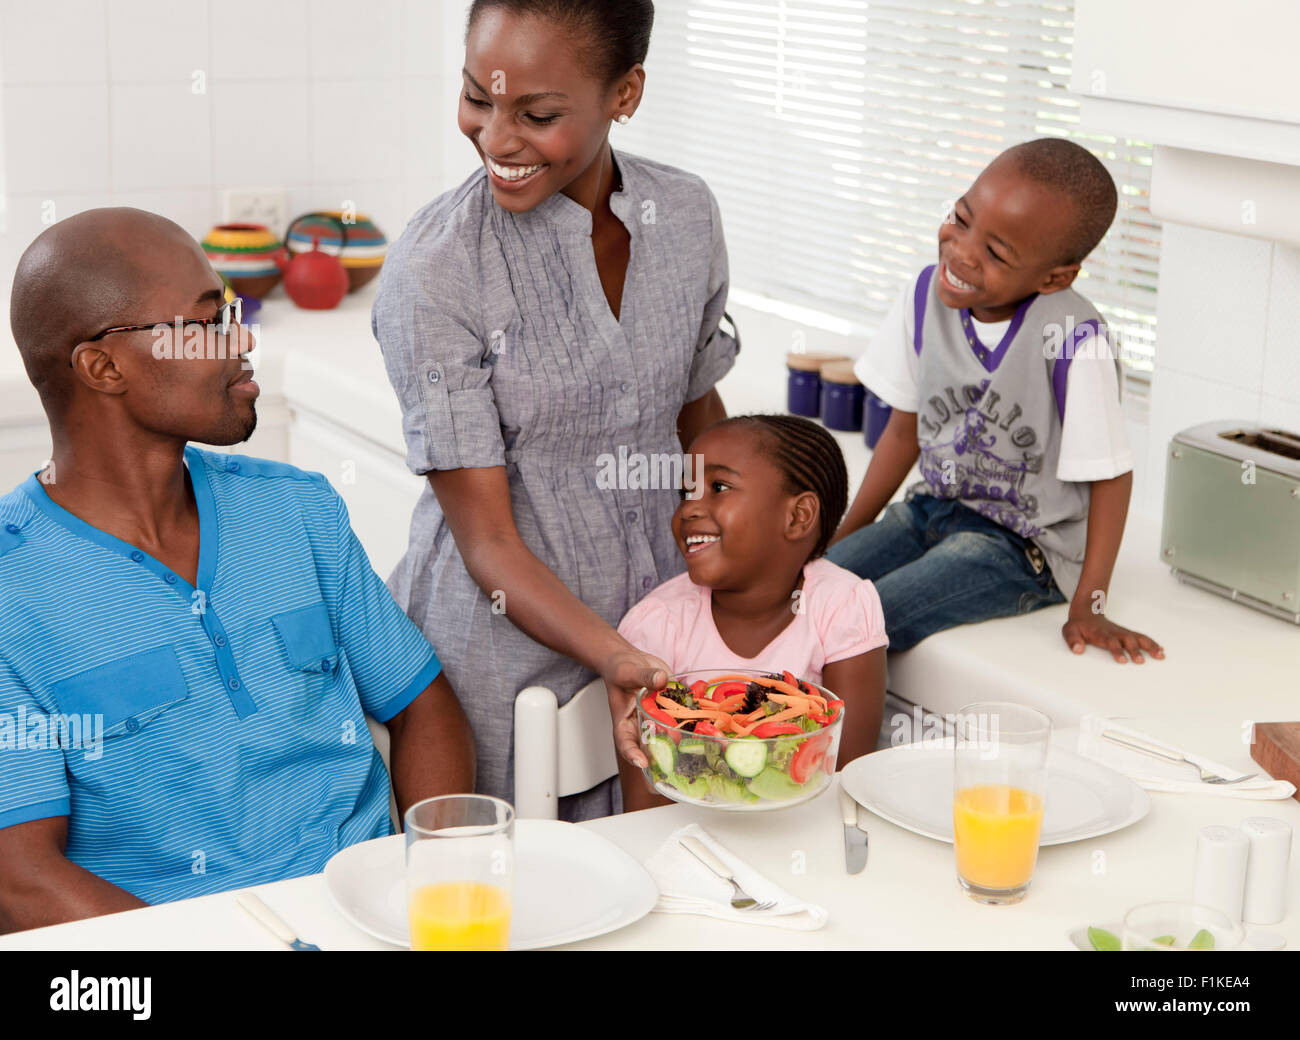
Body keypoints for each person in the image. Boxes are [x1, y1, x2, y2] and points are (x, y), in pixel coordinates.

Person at [0, 208, 474, 932]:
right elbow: (23, 880)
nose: (242, 339)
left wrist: (429, 885)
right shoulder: (14, 592)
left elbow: (422, 704)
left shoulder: (298, 511)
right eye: (208, 321)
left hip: (372, 919)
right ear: (102, 367)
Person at [372, 0, 738, 820]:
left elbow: (695, 410)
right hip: (498, 644)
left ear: (625, 94)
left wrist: (743, 552)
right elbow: (488, 543)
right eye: (477, 97)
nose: (497, 139)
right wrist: (618, 655)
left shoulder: (683, 216)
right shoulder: (436, 271)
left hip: (666, 610)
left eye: (537, 115)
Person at [827, 139, 1163, 664]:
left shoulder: (1074, 339)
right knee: (807, 590)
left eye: (996, 253)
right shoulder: (924, 295)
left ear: (1056, 277)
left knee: (860, 623)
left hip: (1022, 548)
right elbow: (901, 433)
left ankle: (834, 746)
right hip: (931, 510)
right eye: (961, 219)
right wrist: (838, 546)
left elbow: (1111, 478)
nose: (961, 251)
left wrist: (1090, 604)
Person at [618, 415, 888, 808]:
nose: (690, 509)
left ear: (797, 517)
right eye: (687, 492)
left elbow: (847, 784)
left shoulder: (842, 606)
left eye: (719, 487)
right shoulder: (656, 626)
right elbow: (645, 808)